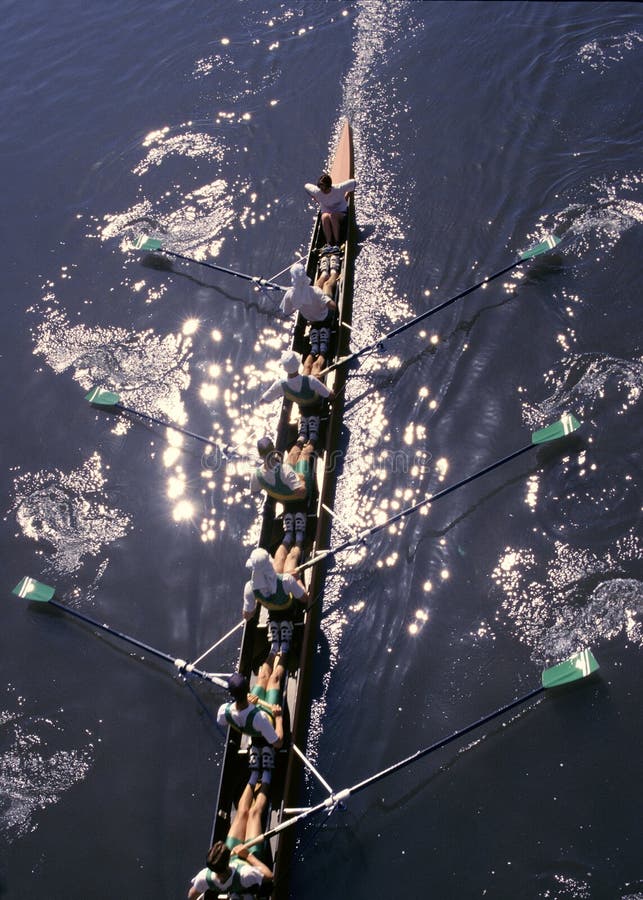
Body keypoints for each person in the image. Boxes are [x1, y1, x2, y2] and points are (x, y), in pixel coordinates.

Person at [187, 779, 273, 898]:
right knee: (254, 813)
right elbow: (269, 876)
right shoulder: (245, 874)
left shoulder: (204, 878)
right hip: (249, 858)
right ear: (227, 860)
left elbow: (191, 895)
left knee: (241, 813)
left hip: (235, 859)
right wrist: (247, 855)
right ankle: (267, 775)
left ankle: (253, 776)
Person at [243, 547, 310, 656]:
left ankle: (287, 540)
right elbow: (305, 599)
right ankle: (297, 541)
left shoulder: (249, 588)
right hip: (291, 610)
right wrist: (297, 579)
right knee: (291, 558)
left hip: (272, 613)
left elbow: (247, 616)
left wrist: (257, 600)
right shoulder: (287, 580)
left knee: (280, 564)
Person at [260, 350, 334, 439]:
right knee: (316, 366)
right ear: (298, 364)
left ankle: (313, 351)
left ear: (284, 368)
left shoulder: (280, 385)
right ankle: (322, 351)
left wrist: (278, 394)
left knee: (306, 369)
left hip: (302, 407)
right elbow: (330, 395)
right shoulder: (311, 380)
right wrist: (325, 386)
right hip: (316, 404)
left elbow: (263, 400)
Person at [280, 263, 336, 374]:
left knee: (318, 284)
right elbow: (333, 306)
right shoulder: (315, 291)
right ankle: (334, 271)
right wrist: (325, 299)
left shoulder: (289, 295)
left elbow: (286, 312)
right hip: (325, 316)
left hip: (312, 320)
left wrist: (298, 304)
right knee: (327, 285)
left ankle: (324, 273)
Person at [217, 668, 284, 752]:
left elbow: (221, 722)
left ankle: (271, 658)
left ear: (231, 694)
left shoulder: (223, 710)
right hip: (267, 720)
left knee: (263, 676)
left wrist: (250, 706)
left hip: (252, 718)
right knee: (274, 679)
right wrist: (278, 717)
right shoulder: (261, 718)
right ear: (248, 689)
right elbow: (278, 744)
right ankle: (282, 660)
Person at [305, 171, 356, 247]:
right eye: (321, 189)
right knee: (324, 217)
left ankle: (337, 243)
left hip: (341, 212)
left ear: (330, 186)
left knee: (332, 216)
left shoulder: (339, 188)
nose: (323, 191)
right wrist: (315, 198)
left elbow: (354, 182)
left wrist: (347, 196)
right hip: (327, 213)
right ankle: (329, 243)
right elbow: (306, 186)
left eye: (325, 189)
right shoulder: (317, 192)